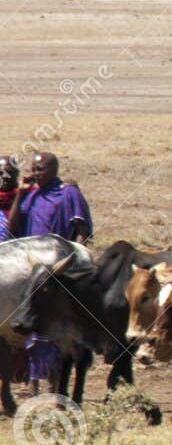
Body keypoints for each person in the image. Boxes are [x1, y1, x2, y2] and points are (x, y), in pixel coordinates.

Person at [7, 152, 93, 388]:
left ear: (54, 169)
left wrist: (73, 261)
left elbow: (83, 229)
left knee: (57, 328)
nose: (35, 173)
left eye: (40, 169)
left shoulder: (69, 193)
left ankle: (58, 385)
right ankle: (35, 385)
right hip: (30, 268)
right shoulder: (31, 195)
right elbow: (14, 226)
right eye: (33, 168)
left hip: (59, 268)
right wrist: (22, 194)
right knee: (32, 326)